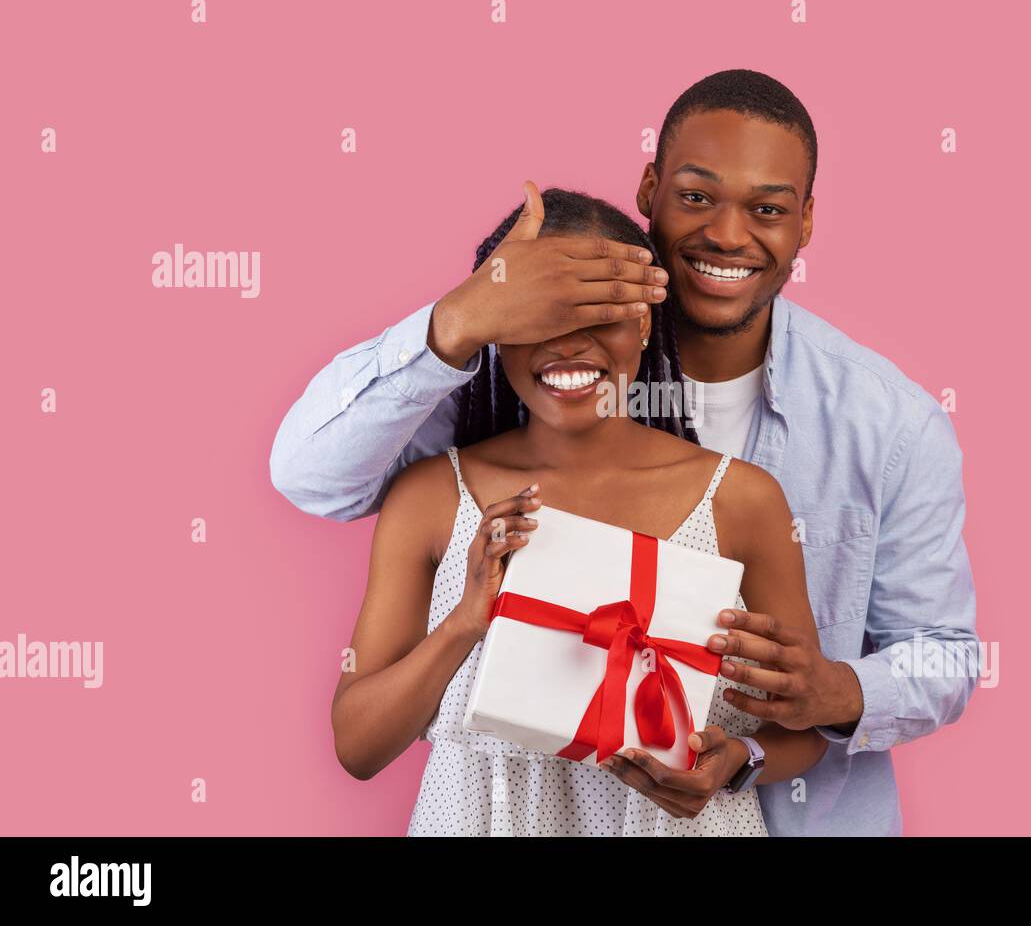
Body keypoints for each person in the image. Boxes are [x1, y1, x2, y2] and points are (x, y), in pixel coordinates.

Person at [272, 69, 980, 836]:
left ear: (805, 222)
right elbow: (310, 479)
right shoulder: (454, 452)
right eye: (698, 196)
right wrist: (460, 318)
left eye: (768, 208)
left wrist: (829, 695)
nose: (730, 235)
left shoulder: (874, 432)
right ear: (651, 190)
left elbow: (938, 660)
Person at [329, 189, 827, 835]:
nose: (568, 348)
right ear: (495, 329)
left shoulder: (742, 501)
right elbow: (358, 747)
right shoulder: (433, 497)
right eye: (538, 320)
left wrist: (737, 761)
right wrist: (465, 623)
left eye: (602, 316)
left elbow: (805, 723)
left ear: (645, 323)